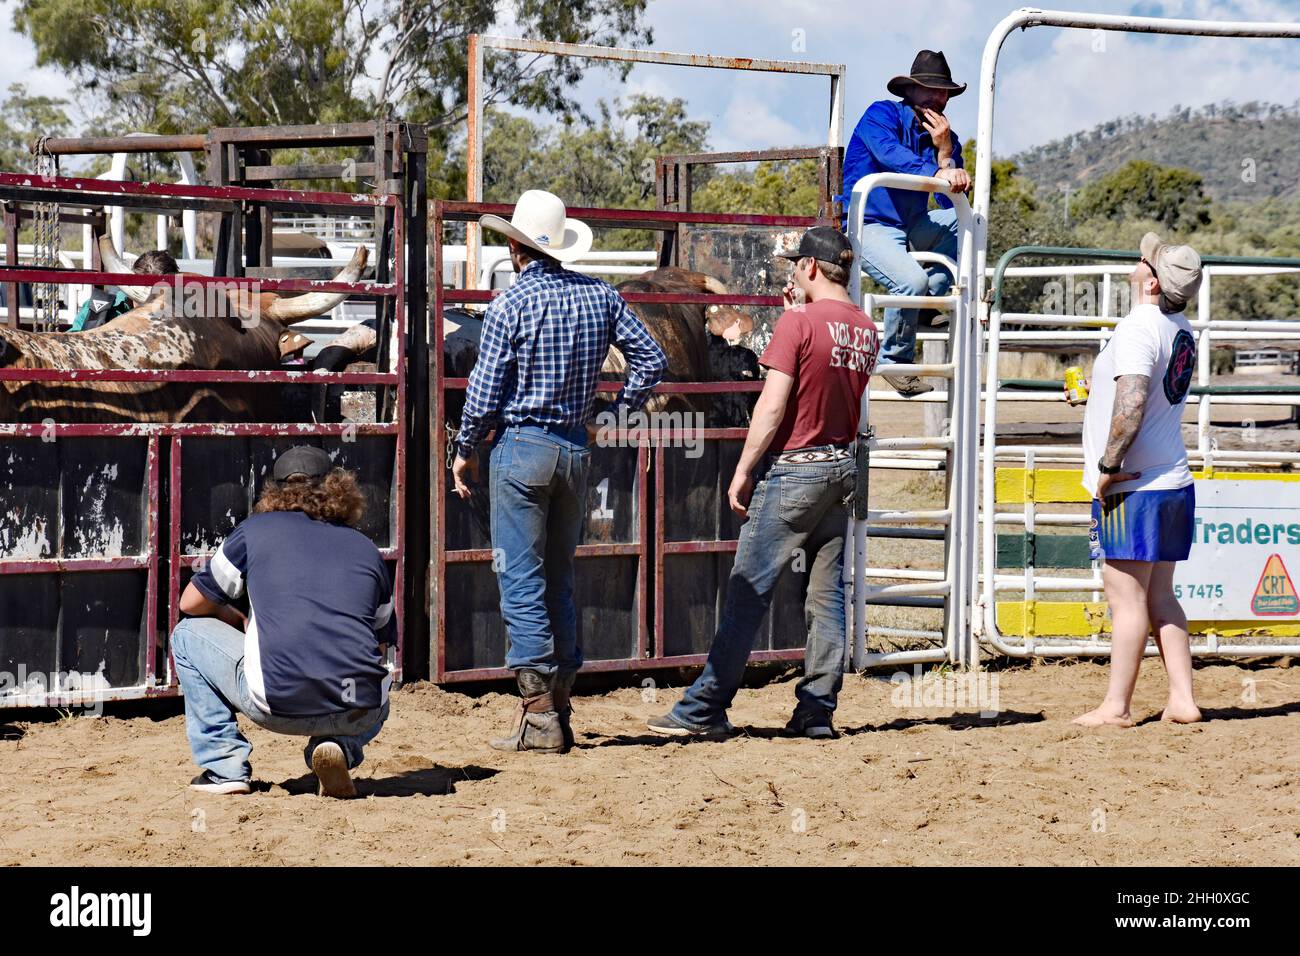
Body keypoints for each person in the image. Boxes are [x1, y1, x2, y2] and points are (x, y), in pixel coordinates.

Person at [451, 189, 667, 753]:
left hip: (522, 447)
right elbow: (652, 359)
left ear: (515, 248)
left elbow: (484, 390)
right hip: (575, 449)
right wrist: (617, 415)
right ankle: (560, 709)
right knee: (559, 581)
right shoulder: (601, 296)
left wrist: (465, 446)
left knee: (520, 580)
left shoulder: (509, 305)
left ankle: (540, 715)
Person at [648, 226, 880, 740]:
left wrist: (744, 468)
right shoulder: (865, 328)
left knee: (747, 589)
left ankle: (704, 707)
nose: (795, 270)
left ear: (812, 268)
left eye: (798, 263)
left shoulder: (796, 327)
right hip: (842, 468)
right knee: (826, 596)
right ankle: (816, 710)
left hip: (796, 468)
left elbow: (773, 406)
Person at [170, 445, 395, 797]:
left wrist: (236, 615)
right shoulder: (366, 548)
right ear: (337, 487)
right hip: (358, 709)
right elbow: (380, 643)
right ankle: (341, 747)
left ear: (273, 491)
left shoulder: (254, 531)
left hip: (277, 703)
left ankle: (224, 767)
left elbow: (190, 602)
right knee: (378, 684)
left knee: (185, 635)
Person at [1068, 232, 1203, 727]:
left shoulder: (1138, 327)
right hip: (1172, 478)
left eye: (1144, 259)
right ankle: (1182, 699)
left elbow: (1132, 404)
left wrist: (1106, 468)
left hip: (1135, 484)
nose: (1137, 260)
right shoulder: (1178, 326)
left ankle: (1117, 705)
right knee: (1162, 596)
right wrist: (1094, 396)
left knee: (1126, 600)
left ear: (1149, 281)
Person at [841, 50, 970, 398]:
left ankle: (928, 305)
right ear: (909, 90)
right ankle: (895, 360)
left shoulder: (945, 137)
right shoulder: (880, 115)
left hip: (912, 224)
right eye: (928, 88)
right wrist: (938, 170)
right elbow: (891, 157)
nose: (936, 97)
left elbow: (949, 201)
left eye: (943, 91)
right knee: (911, 280)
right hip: (869, 222)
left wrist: (944, 153)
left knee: (968, 223)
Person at [71, 249, 178, 331]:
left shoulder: (180, 316)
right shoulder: (99, 309)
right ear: (133, 284)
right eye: (145, 289)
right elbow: (71, 347)